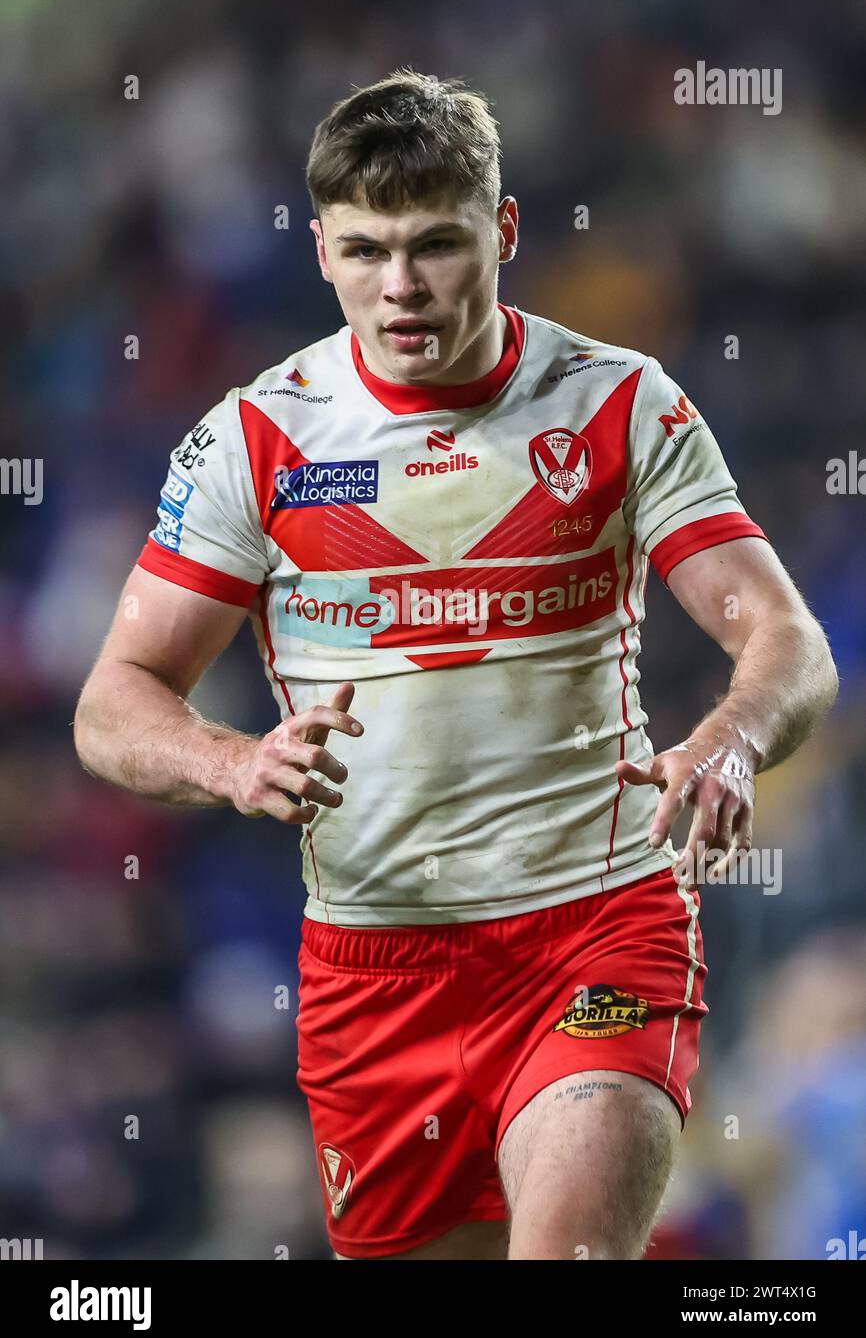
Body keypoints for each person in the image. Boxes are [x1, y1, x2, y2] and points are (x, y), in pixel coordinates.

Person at [73, 68, 838, 1261]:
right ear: (319, 249)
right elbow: (112, 701)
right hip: (374, 971)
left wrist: (729, 738)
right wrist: (229, 763)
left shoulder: (618, 406)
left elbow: (784, 638)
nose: (402, 287)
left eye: (437, 243)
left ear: (505, 229)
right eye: (367, 250)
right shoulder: (257, 437)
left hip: (596, 924)